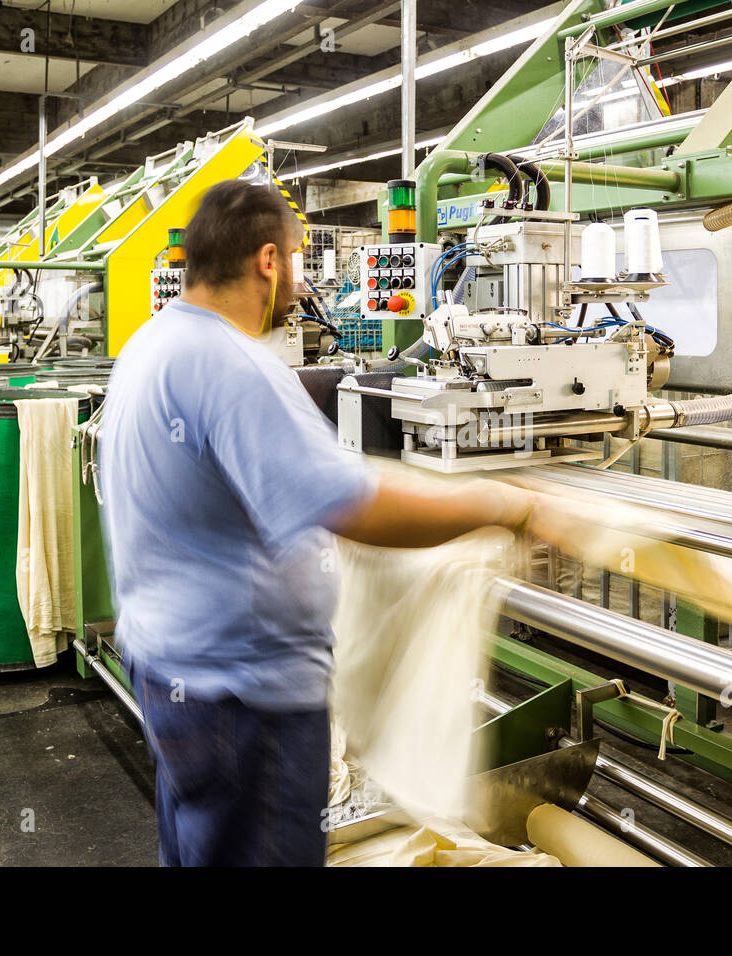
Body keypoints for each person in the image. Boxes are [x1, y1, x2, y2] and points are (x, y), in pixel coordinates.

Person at [100, 180, 537, 867]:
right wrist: (504, 506)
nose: (303, 283)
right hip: (242, 701)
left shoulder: (152, 344)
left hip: (174, 674)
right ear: (269, 261)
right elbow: (351, 509)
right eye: (300, 261)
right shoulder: (232, 363)